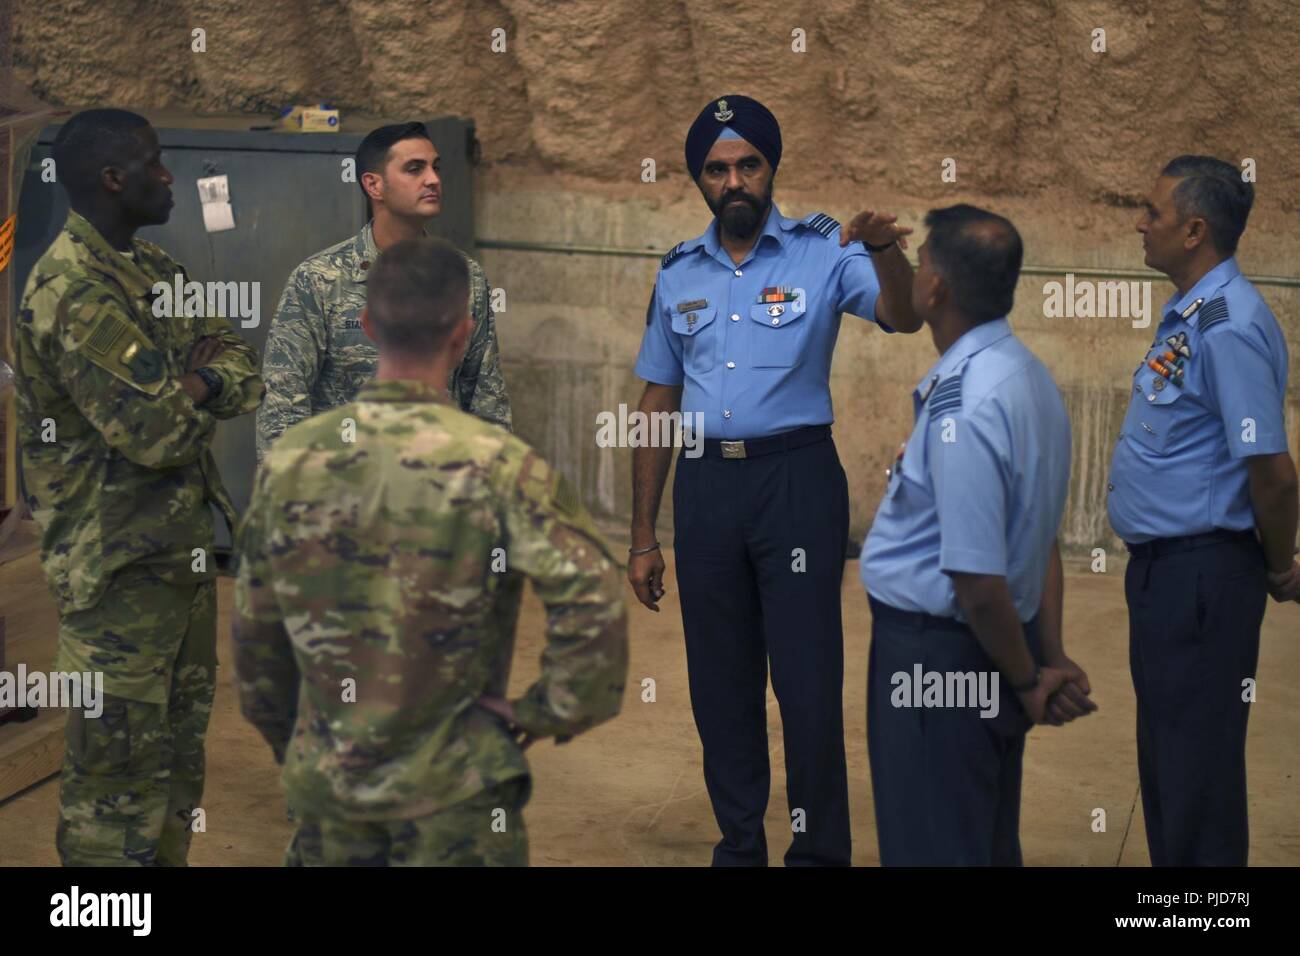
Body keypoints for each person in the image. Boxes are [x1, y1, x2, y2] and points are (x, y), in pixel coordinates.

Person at [233, 236, 628, 866]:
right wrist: (547, 710)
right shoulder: (503, 466)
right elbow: (597, 602)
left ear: (366, 325)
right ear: (464, 333)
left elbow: (256, 641)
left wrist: (304, 742)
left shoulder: (292, 463)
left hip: (332, 798)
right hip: (457, 798)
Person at [628, 93, 922, 866]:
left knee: (807, 684)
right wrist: (640, 534)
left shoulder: (826, 251)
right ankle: (739, 848)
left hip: (795, 486)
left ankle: (818, 851)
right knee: (720, 690)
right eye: (718, 169)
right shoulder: (676, 273)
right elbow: (657, 398)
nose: (734, 181)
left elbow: (905, 315)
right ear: (699, 180)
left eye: (748, 164)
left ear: (770, 169)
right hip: (705, 491)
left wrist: (888, 250)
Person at [14, 108, 264, 865]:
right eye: (155, 164)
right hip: (114, 577)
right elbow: (155, 436)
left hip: (178, 567)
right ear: (113, 179)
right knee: (111, 794)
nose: (169, 177)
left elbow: (241, 370)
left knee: (174, 776)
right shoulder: (74, 294)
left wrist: (191, 381)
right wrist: (195, 383)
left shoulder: (154, 274)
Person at [860, 204, 1095, 865]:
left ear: (935, 289)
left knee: (930, 844)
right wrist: (1045, 656)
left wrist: (1026, 681)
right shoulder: (1029, 379)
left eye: (923, 259)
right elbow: (1040, 534)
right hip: (990, 651)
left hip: (940, 658)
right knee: (981, 841)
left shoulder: (966, 403)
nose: (916, 270)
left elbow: (976, 578)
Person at [1108, 155, 1298, 866]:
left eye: (1152, 212)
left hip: (1203, 578)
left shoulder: (1228, 327)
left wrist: (1280, 567)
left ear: (1193, 231)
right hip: (1168, 578)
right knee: (1171, 773)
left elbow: (1274, 475)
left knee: (1198, 783)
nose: (1140, 223)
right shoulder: (1194, 315)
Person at [255, 122, 510, 461]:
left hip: (439, 488)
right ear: (373, 185)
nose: (433, 179)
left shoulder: (463, 276)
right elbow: (283, 403)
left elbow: (486, 397)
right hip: (345, 491)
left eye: (435, 167)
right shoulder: (320, 279)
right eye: (414, 169)